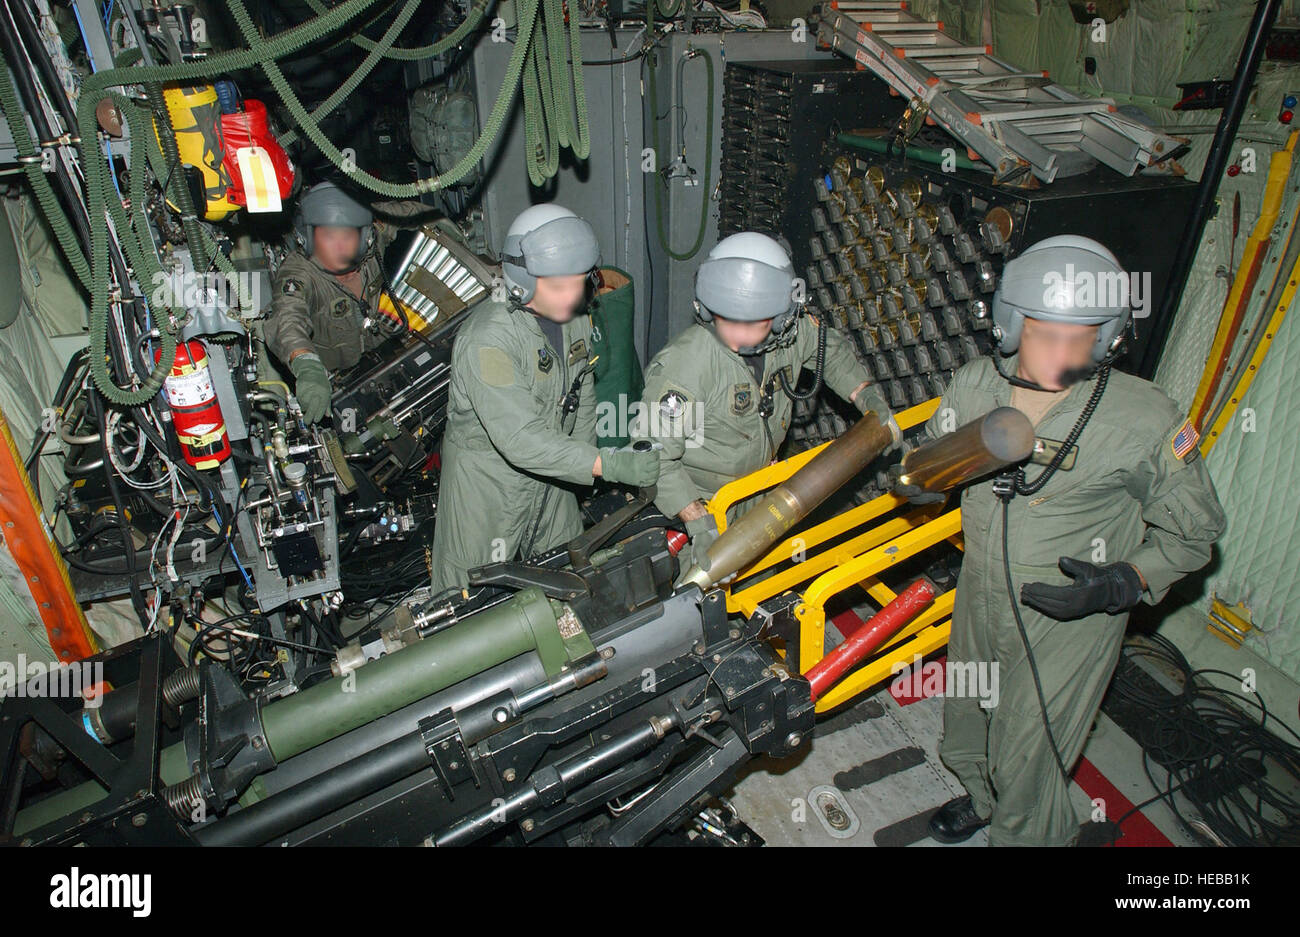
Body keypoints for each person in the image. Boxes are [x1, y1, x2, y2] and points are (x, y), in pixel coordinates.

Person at [907, 235, 1226, 846]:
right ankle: (981, 798)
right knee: (967, 720)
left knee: (1029, 752)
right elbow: (929, 457)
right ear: (1009, 323)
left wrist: (1124, 581)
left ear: (1105, 338)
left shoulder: (1143, 418)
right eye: (1041, 330)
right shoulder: (974, 386)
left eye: (1077, 335)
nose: (1057, 351)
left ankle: (1027, 834)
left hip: (1071, 616)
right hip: (980, 588)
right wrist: (921, 483)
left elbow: (1197, 532)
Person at [632, 232, 897, 571]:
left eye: (753, 323)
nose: (737, 335)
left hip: (762, 490)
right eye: (727, 319)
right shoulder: (687, 364)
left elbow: (829, 351)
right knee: (698, 593)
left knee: (761, 582)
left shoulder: (791, 331)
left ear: (781, 315)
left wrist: (865, 394)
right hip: (698, 501)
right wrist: (698, 522)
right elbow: (652, 453)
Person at [428, 204, 660, 591]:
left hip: (553, 480)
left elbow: (583, 392)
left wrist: (581, 468)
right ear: (524, 279)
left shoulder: (574, 320)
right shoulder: (488, 340)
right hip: (489, 489)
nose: (572, 296)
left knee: (570, 582)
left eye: (579, 282)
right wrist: (605, 464)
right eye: (559, 286)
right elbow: (520, 439)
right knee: (469, 605)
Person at [263, 181, 393, 425]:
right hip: (338, 384)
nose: (340, 246)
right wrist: (307, 366)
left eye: (347, 235)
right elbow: (287, 318)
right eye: (328, 237)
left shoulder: (373, 242)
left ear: (364, 235)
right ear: (308, 239)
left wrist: (441, 222)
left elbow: (403, 212)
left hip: (388, 360)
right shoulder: (299, 272)